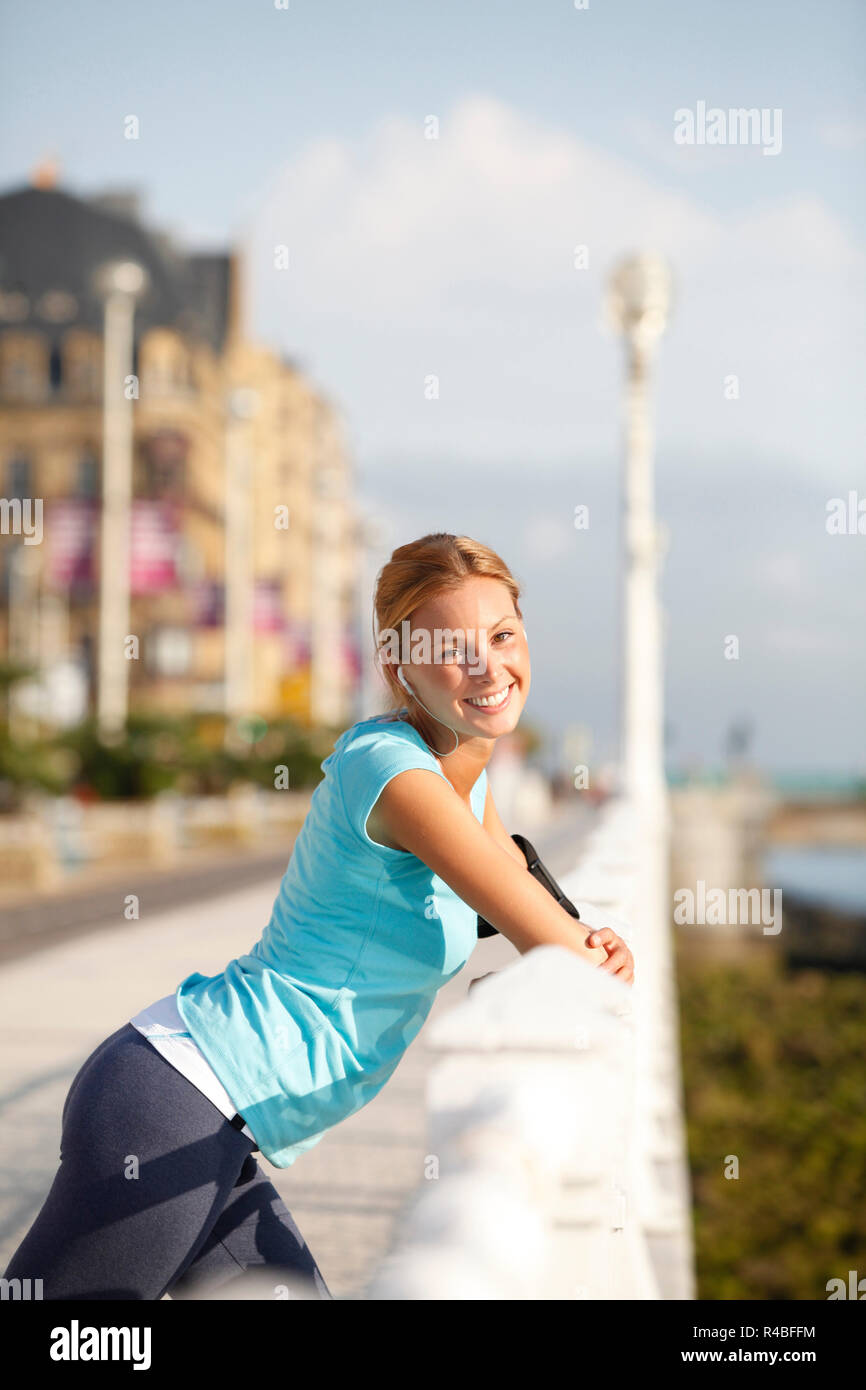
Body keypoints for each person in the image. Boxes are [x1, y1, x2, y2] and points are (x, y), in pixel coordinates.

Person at [2, 532, 633, 1301]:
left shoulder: (463, 775)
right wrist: (587, 949)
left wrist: (591, 940)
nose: (488, 667)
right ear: (398, 665)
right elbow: (551, 940)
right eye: (453, 647)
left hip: (220, 1125)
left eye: (502, 636)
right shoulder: (395, 773)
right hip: (176, 1102)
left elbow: (547, 916)